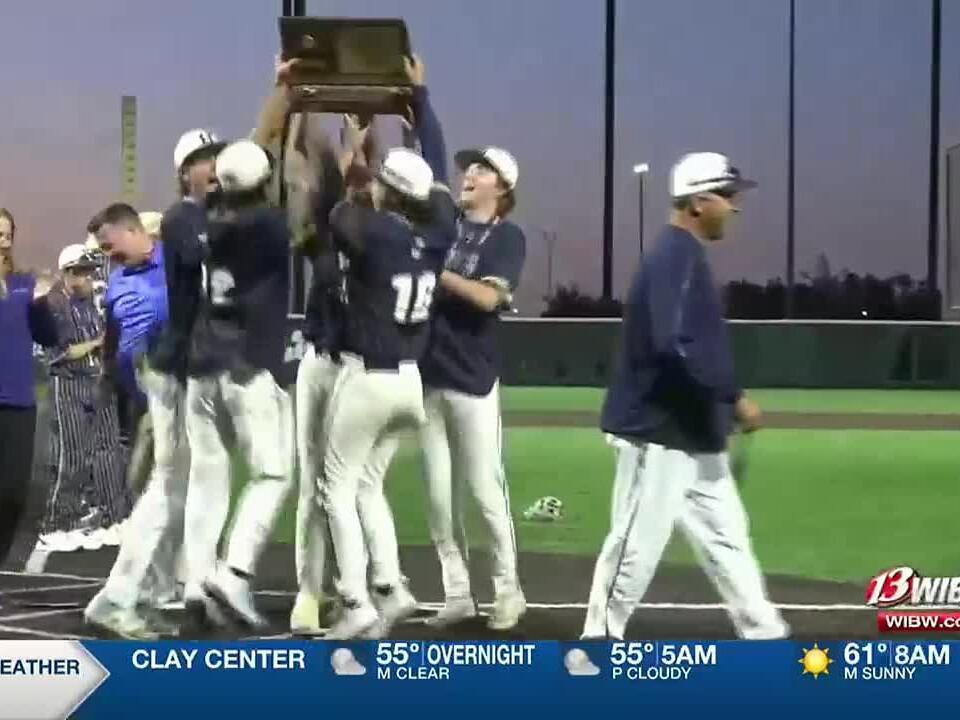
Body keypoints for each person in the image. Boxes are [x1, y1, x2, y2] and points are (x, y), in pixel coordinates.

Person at [577, 152, 789, 642]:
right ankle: (596, 645)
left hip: (693, 431)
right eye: (728, 196)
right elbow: (673, 343)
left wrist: (718, 406)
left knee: (729, 539)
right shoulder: (675, 256)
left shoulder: (686, 256)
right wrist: (733, 398)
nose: (735, 207)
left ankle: (765, 635)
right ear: (699, 201)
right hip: (658, 430)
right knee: (636, 546)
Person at [320, 139, 456, 640]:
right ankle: (390, 587)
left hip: (369, 376)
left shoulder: (373, 230)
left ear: (391, 191)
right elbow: (439, 200)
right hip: (410, 382)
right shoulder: (439, 233)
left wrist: (348, 171)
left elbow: (337, 213)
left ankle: (355, 600)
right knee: (368, 486)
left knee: (334, 490)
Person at [410, 55, 528, 630]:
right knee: (437, 498)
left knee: (485, 492)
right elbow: (428, 160)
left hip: (474, 379)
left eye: (479, 170)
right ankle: (457, 592)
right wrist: (419, 95)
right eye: (467, 168)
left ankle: (508, 591)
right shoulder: (446, 226)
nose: (467, 174)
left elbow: (488, 298)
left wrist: (436, 276)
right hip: (427, 376)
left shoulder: (510, 238)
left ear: (501, 187)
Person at [179, 139, 294, 631]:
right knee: (273, 473)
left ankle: (194, 584)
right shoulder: (267, 224)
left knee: (208, 482)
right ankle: (235, 572)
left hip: (203, 360)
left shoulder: (205, 217)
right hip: (244, 363)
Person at [26, 244, 131, 570]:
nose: (86, 277)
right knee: (70, 456)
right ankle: (56, 525)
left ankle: (112, 518)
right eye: (80, 271)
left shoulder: (89, 303)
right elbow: (64, 352)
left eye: (87, 271)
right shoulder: (52, 304)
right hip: (67, 383)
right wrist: (100, 343)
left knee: (107, 451)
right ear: (67, 272)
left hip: (96, 382)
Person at [0, 208, 58, 585]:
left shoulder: (24, 282)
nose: (2, 239)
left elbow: (48, 337)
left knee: (12, 493)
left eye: (6, 233)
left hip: (18, 401)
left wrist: (40, 305)